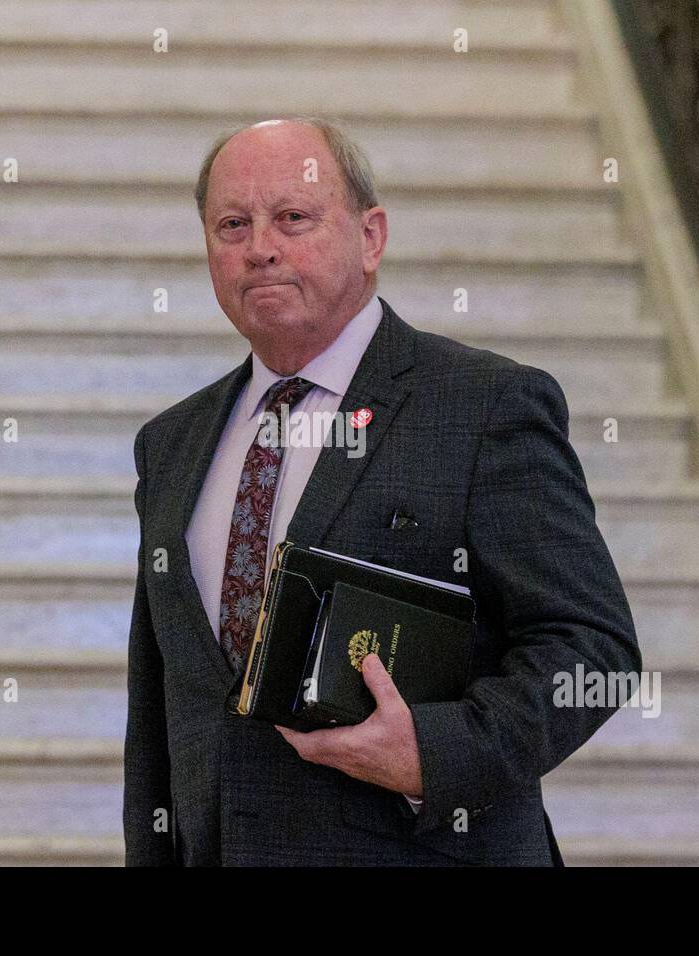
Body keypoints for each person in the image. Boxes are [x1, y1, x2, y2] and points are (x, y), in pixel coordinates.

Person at [122, 117, 640, 865]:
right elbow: (161, 714)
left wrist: (434, 755)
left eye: (293, 217)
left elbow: (593, 650)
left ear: (371, 237)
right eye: (232, 224)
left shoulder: (483, 406)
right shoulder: (171, 443)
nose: (260, 246)